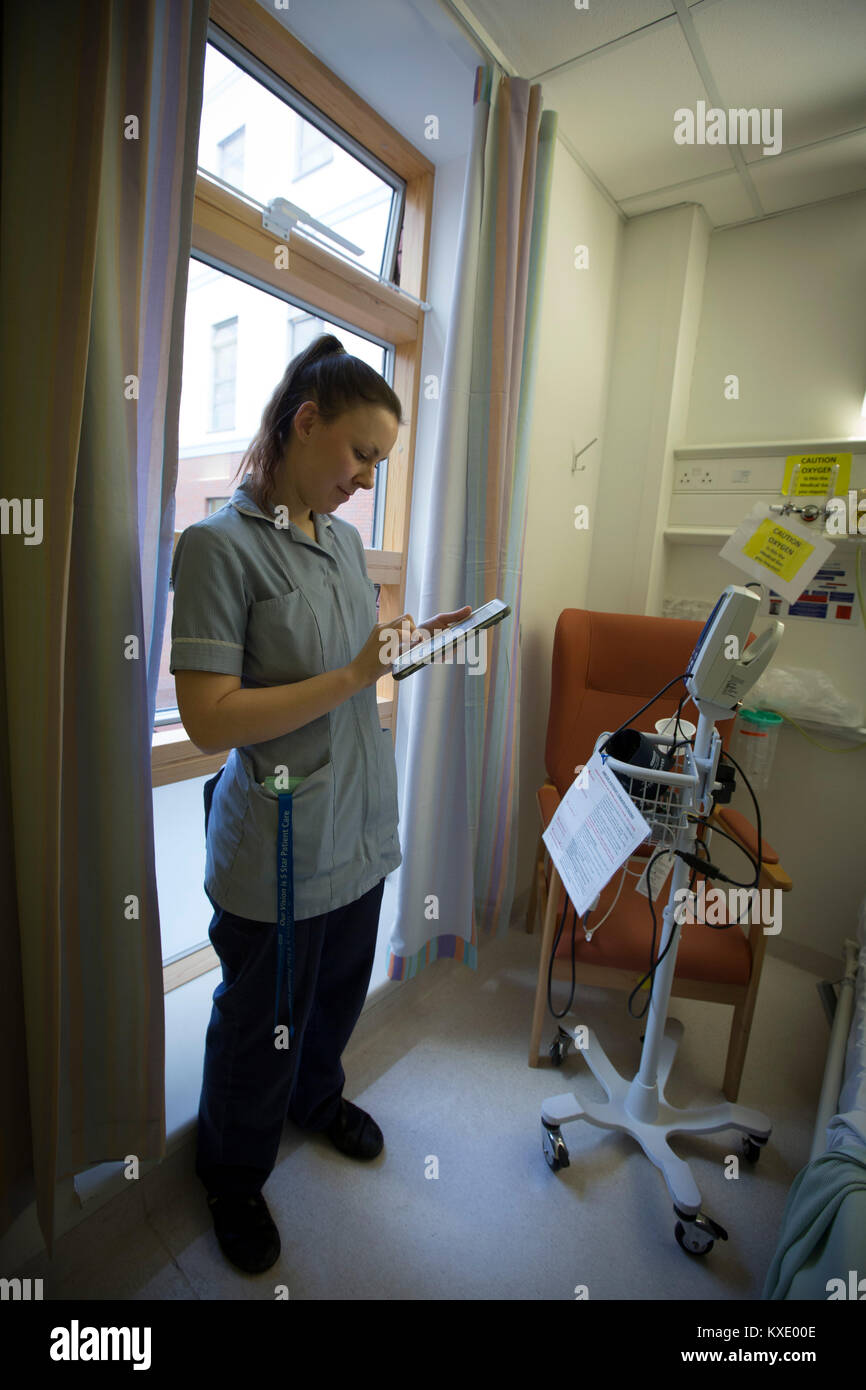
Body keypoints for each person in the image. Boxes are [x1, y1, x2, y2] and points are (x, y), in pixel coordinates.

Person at [169, 333, 470, 1275]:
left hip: (358, 824)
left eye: (379, 463)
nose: (365, 481)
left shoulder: (342, 546)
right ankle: (232, 1172)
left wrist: (415, 647)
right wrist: (351, 673)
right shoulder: (217, 549)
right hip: (281, 838)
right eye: (360, 455)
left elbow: (356, 669)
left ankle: (316, 1096)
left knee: (336, 996)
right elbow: (211, 717)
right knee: (261, 1021)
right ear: (306, 423)